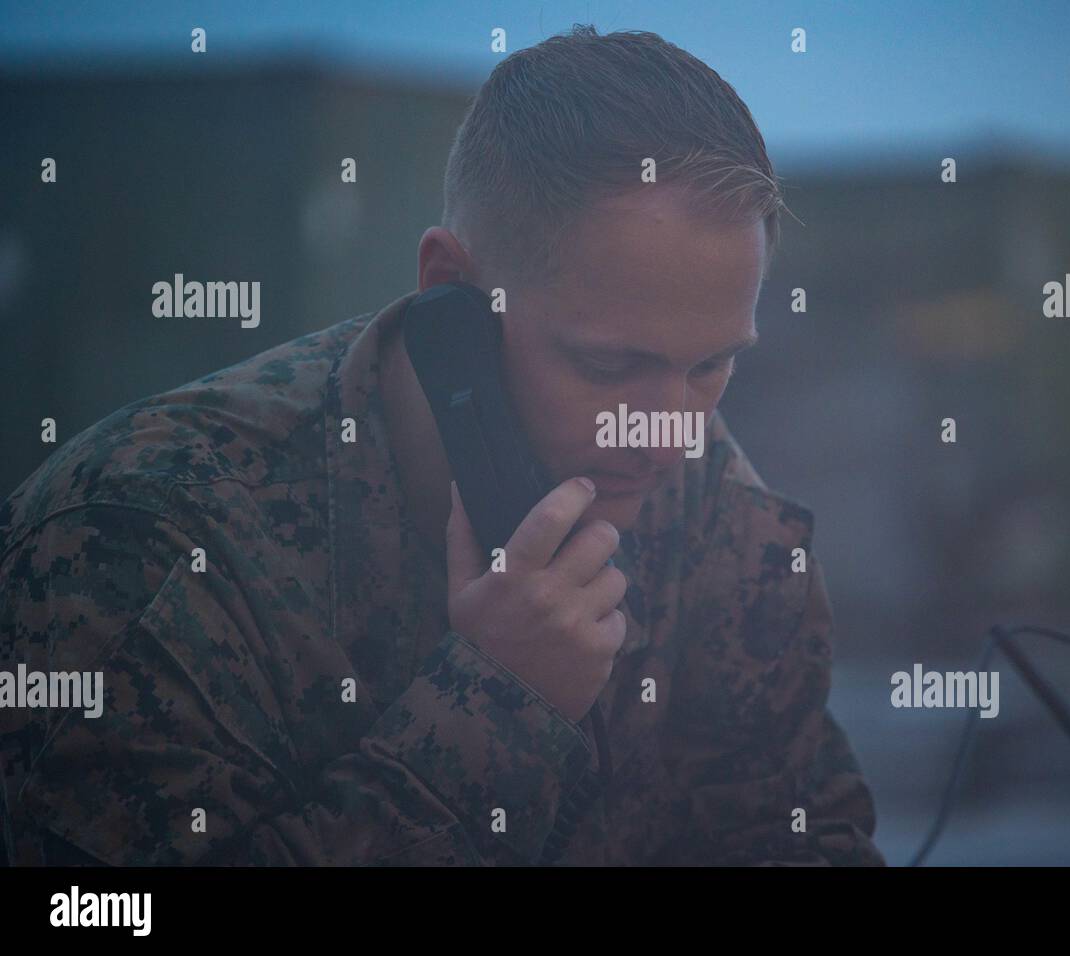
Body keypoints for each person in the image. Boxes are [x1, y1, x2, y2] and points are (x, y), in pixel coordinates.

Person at [0, 26, 886, 866]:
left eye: (711, 367)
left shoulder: (717, 511)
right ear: (452, 291)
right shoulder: (135, 542)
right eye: (612, 364)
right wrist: (499, 709)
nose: (670, 433)